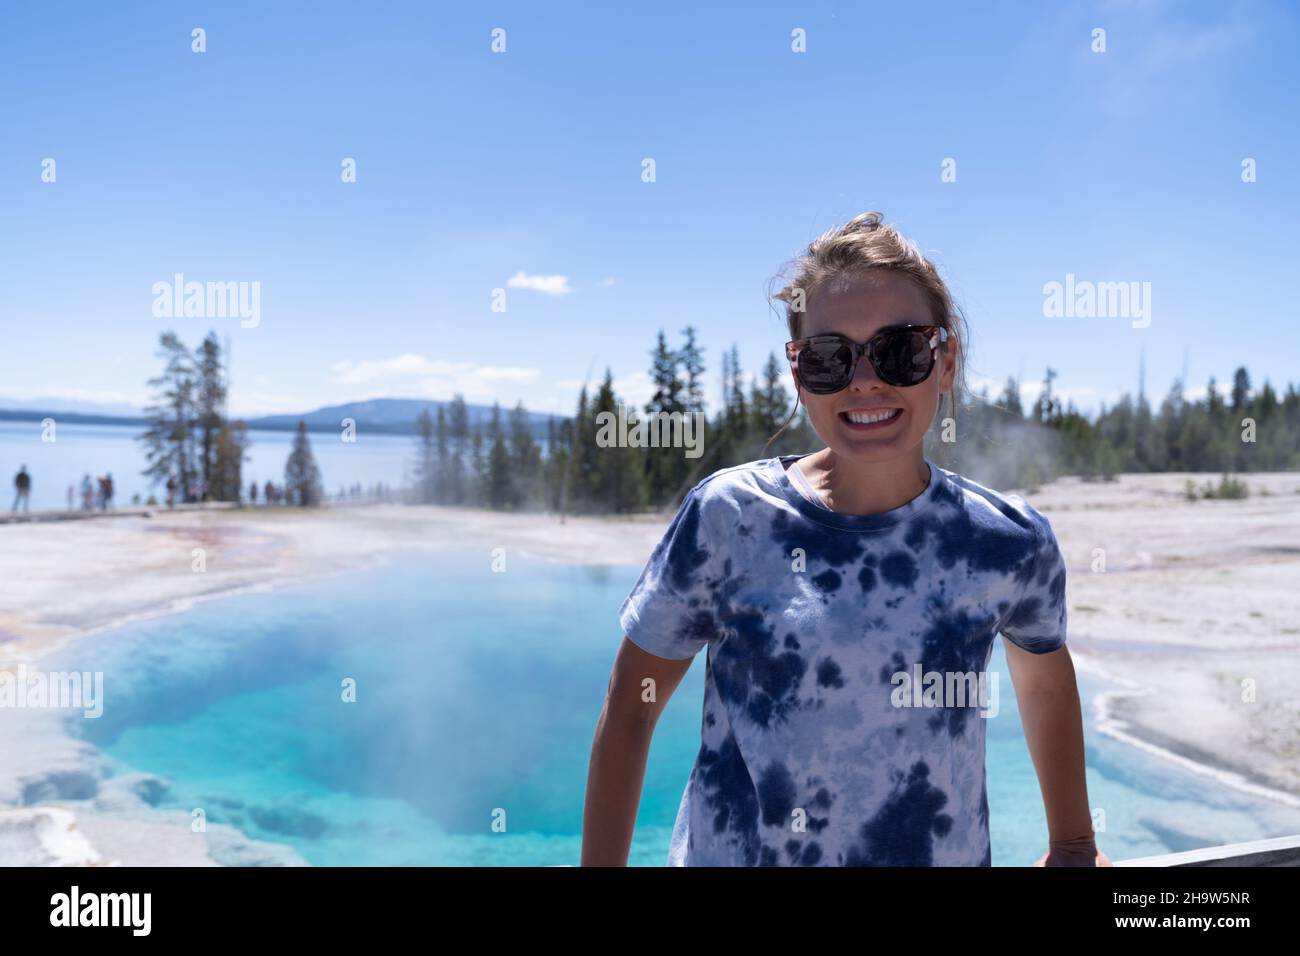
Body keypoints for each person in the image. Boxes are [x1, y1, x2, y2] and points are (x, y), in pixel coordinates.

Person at [582, 212, 1108, 869]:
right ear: (799, 375)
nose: (865, 380)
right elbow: (633, 710)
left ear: (944, 361)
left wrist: (1075, 845)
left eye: (899, 350)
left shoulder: (1005, 540)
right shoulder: (730, 518)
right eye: (831, 357)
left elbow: (1043, 686)